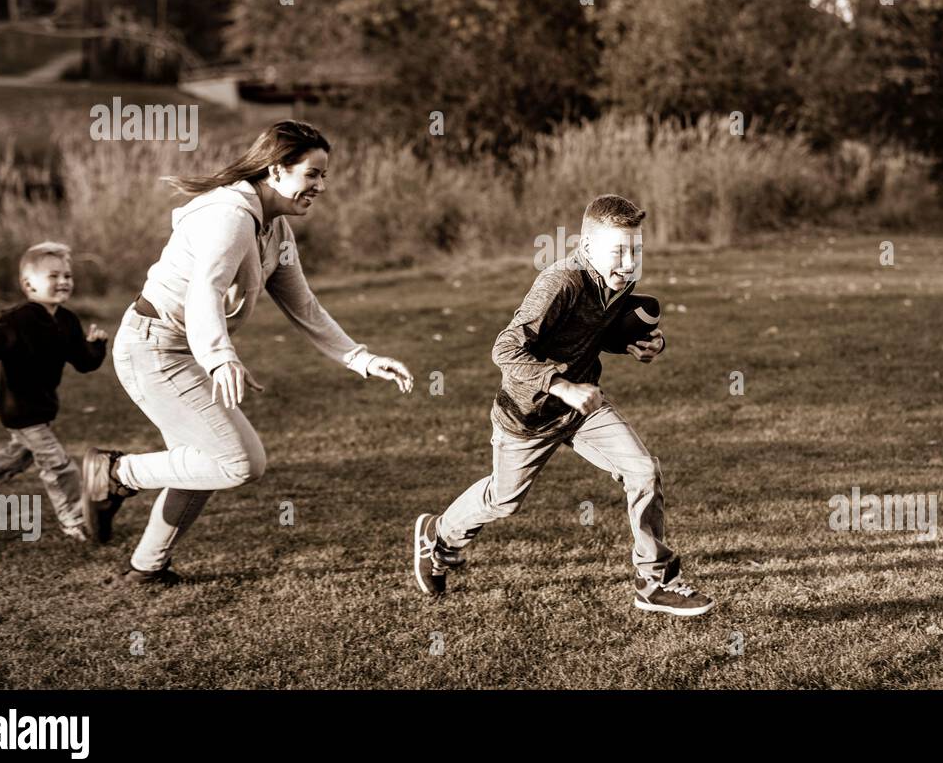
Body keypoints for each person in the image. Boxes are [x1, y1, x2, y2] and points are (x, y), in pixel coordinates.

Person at [81, 120, 414, 585]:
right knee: (238, 462)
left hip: (183, 348)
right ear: (277, 170)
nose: (320, 186)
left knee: (205, 459)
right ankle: (117, 473)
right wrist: (221, 358)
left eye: (324, 176)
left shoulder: (275, 229)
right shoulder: (229, 217)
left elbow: (304, 306)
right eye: (312, 174)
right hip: (153, 348)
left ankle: (146, 566)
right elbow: (206, 290)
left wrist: (360, 357)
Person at [412, 194, 715, 616]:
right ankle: (438, 536)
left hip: (583, 409)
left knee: (643, 470)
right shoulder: (560, 283)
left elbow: (594, 331)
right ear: (587, 246)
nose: (629, 263)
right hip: (529, 415)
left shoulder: (618, 279)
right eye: (619, 252)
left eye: (637, 250)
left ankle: (654, 579)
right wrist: (561, 385)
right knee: (504, 500)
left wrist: (646, 346)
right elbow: (506, 348)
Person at [0, 242, 108, 541]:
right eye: (53, 276)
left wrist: (97, 345)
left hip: (43, 406)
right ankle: (74, 519)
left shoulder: (67, 320)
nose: (63, 281)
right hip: (18, 408)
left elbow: (84, 362)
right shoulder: (16, 321)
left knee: (18, 456)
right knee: (59, 465)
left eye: (67, 276)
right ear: (28, 284)